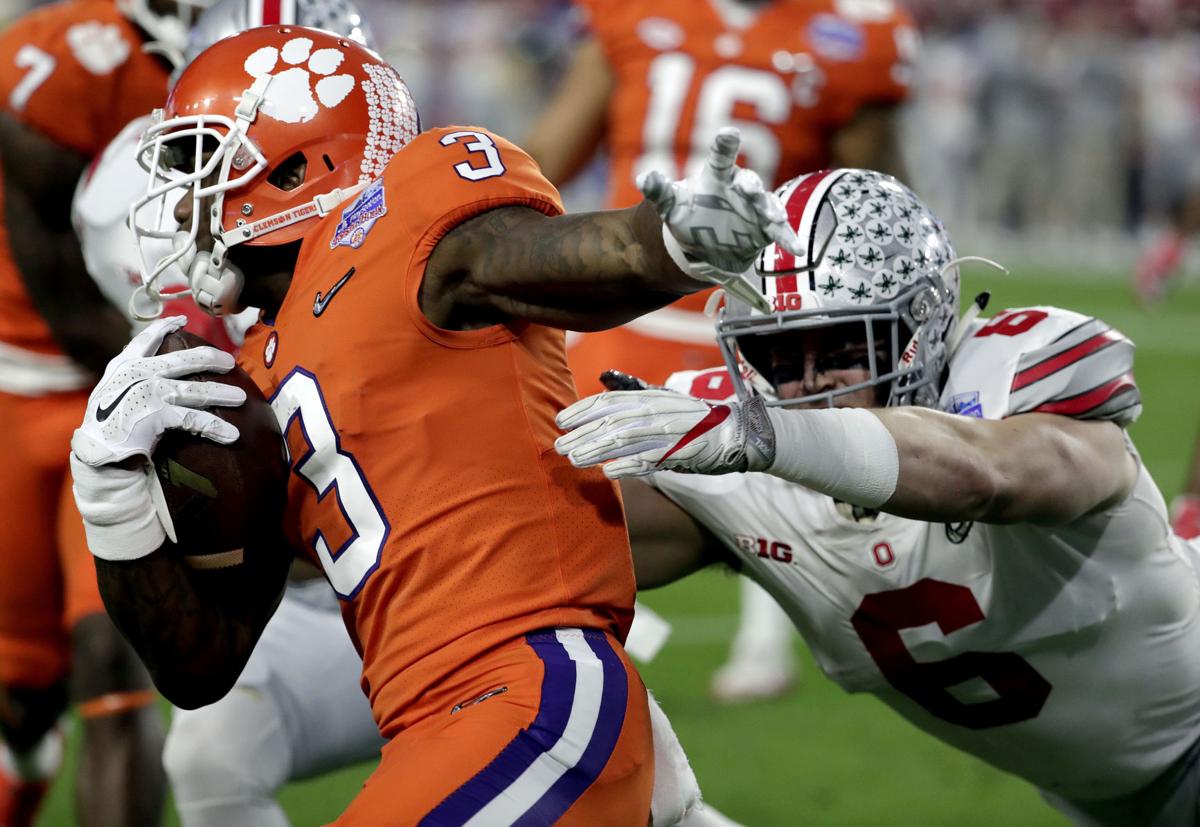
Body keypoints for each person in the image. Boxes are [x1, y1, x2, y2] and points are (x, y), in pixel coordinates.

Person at [67, 25, 797, 824]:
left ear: (295, 165)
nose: (183, 202)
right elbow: (199, 664)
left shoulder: (405, 218)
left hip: (530, 687)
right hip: (444, 721)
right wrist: (112, 499)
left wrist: (672, 246)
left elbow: (553, 254)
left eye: (202, 161)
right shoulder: (253, 384)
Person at [557, 168, 1200, 825]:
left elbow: (988, 474)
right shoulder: (743, 444)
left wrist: (766, 431)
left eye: (840, 345)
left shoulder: (1011, 384)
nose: (808, 385)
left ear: (921, 327)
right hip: (1108, 796)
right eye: (778, 356)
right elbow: (555, 548)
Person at [525, 0, 918, 702]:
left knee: (763, 472)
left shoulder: (850, 31)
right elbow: (547, 157)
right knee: (569, 490)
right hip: (637, 295)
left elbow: (869, 202)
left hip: (745, 305)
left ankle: (759, 640)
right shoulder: (633, 15)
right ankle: (583, 649)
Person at [69, 2, 387, 824]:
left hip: (448, 581)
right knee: (209, 747)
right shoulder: (129, 198)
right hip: (312, 588)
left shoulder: (420, 210)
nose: (180, 202)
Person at [0, 0, 216, 820]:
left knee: (112, 662)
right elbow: (60, 291)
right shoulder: (58, 61)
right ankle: (22, 755)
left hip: (131, 388)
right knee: (27, 687)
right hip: (27, 383)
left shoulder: (253, 45)